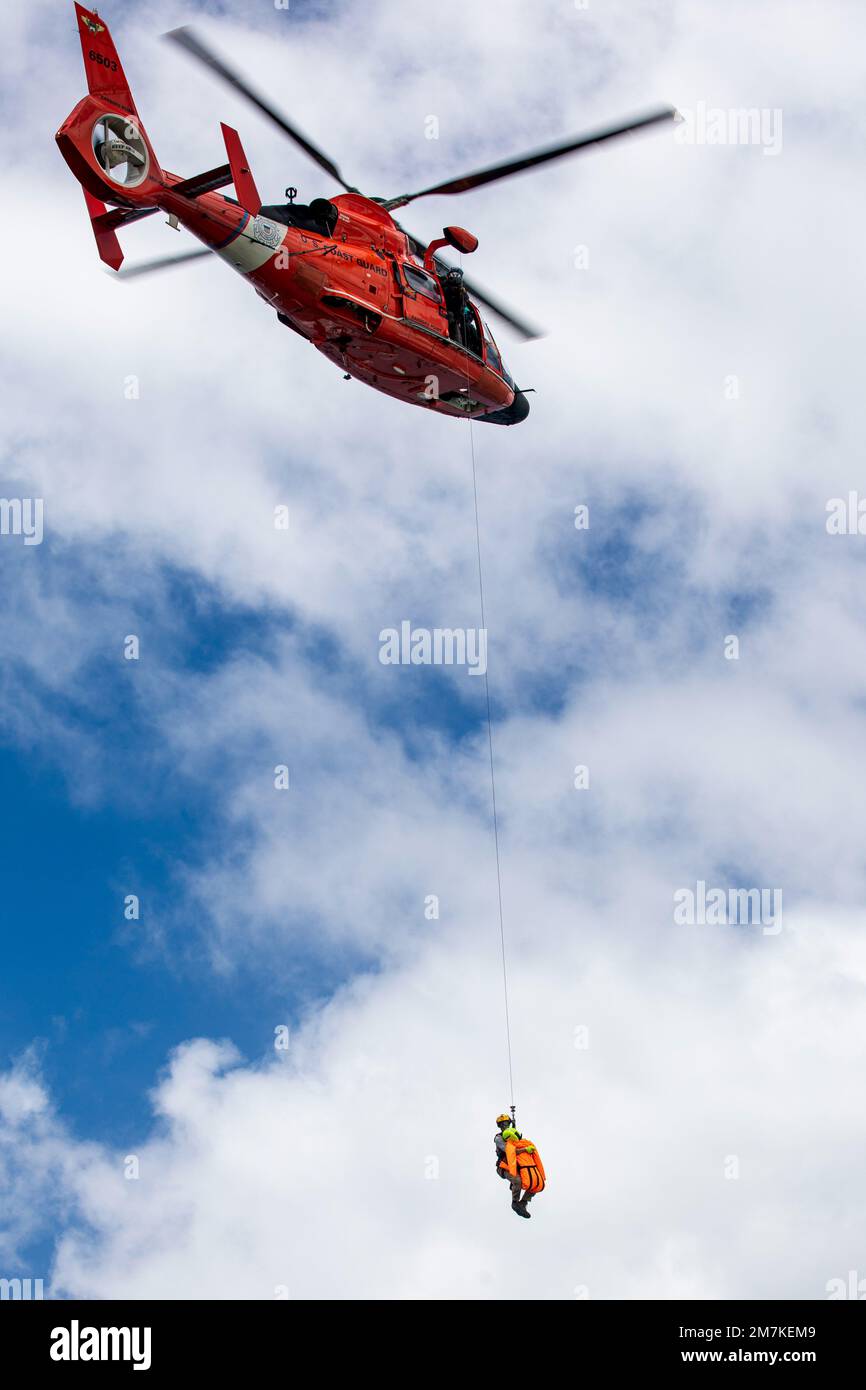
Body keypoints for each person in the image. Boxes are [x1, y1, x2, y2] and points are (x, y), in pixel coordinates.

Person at [497, 1123, 546, 1218]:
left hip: (517, 1166)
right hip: (504, 1166)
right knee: (517, 1180)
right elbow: (510, 1152)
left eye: (506, 1122)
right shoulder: (499, 1139)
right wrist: (525, 1149)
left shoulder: (520, 1141)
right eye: (502, 1123)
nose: (504, 1125)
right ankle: (515, 1203)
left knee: (536, 1181)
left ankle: (523, 1203)